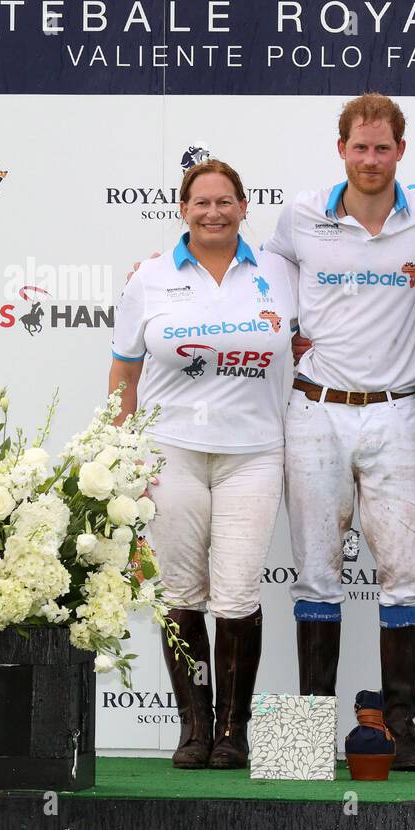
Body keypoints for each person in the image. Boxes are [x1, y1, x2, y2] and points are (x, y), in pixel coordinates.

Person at [266, 93, 415, 771]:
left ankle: (399, 730)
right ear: (340, 148)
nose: (371, 159)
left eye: (383, 147)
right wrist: (286, 324)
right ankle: (307, 739)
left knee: (406, 575)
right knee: (316, 572)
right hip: (315, 409)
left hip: (397, 411)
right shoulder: (300, 217)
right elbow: (269, 276)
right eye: (359, 146)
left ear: (401, 151)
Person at [109, 159, 294, 770]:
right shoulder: (149, 277)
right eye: (200, 202)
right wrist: (121, 451)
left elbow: (309, 339)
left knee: (239, 592)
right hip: (171, 451)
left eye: (225, 201)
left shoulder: (279, 269)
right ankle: (193, 727)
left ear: (245, 206)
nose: (213, 212)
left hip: (255, 452)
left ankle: (233, 730)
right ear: (182, 210)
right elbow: (125, 372)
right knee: (183, 592)